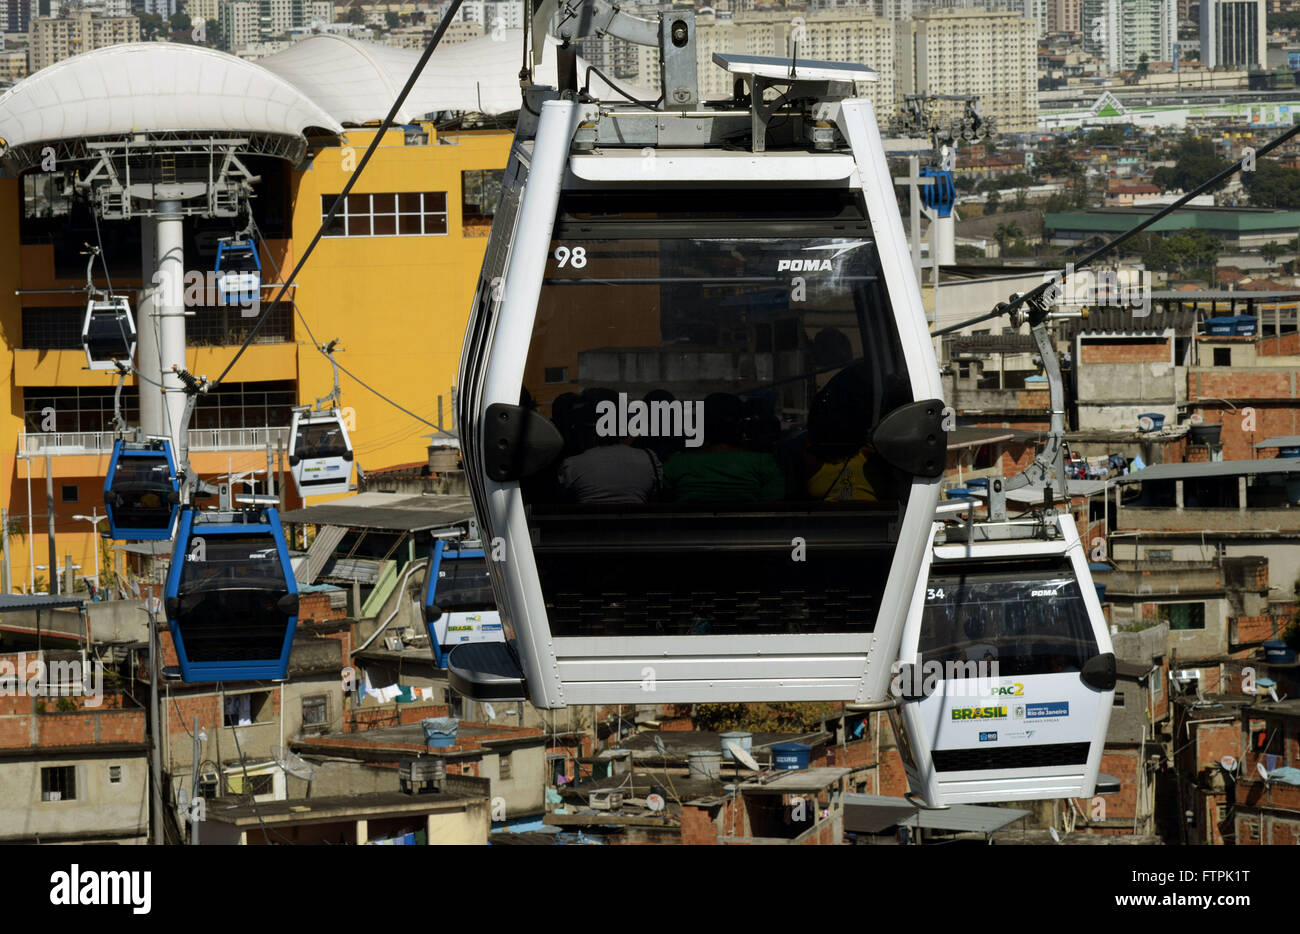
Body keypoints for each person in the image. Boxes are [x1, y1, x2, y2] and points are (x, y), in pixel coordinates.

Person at [662, 393, 784, 503]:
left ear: (702, 426)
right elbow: (775, 509)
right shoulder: (763, 463)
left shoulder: (677, 464)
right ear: (741, 426)